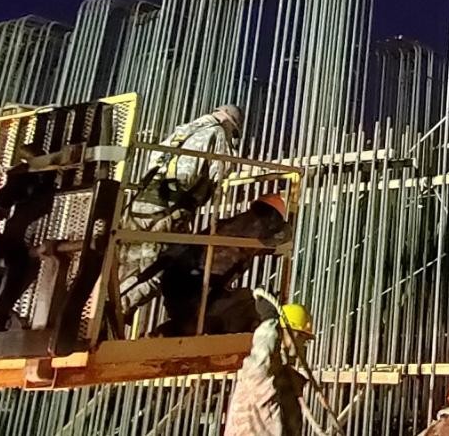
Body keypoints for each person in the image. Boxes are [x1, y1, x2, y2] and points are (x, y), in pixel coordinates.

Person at [118, 104, 244, 313]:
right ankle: (113, 313)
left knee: (124, 268)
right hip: (169, 210)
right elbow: (218, 173)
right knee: (157, 273)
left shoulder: (182, 131)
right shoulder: (217, 132)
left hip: (140, 205)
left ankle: (99, 310)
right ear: (228, 122)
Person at [142, 194, 290, 335]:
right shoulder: (258, 227)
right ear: (274, 217)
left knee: (193, 318)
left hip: (178, 282)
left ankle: (168, 333)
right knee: (247, 306)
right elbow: (282, 237)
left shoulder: (229, 224)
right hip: (197, 290)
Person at [223, 294, 312, 436]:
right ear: (283, 332)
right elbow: (262, 360)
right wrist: (269, 323)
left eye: (306, 339)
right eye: (300, 336)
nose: (303, 344)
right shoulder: (259, 375)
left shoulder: (289, 383)